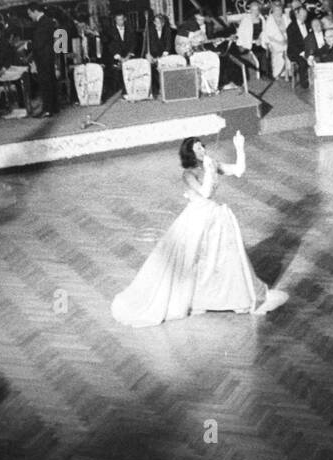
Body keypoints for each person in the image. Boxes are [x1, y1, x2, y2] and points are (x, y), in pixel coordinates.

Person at [110, 133, 288, 327]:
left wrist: (239, 147)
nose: (203, 151)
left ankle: (232, 298)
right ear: (190, 154)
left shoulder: (210, 164)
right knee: (198, 259)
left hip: (216, 217)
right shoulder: (188, 174)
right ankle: (199, 300)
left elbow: (238, 170)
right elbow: (205, 193)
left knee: (222, 258)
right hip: (198, 218)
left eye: (202, 147)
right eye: (198, 149)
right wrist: (210, 170)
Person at [27, 0, 60, 117]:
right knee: (51, 81)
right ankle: (54, 107)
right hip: (49, 56)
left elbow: (39, 42)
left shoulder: (43, 23)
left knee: (45, 83)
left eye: (30, 13)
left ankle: (48, 109)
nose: (30, 16)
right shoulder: (49, 21)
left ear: (34, 11)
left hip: (43, 57)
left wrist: (27, 45)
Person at [262, 0, 289, 78]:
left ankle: (286, 72)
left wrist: (286, 40)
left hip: (286, 40)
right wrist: (279, 41)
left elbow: (290, 30)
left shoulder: (285, 17)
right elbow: (268, 35)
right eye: (276, 10)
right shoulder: (270, 19)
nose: (278, 12)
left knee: (289, 48)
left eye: (280, 9)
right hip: (274, 41)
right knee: (279, 51)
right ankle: (277, 73)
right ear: (273, 10)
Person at [286, 4, 311, 89]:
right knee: (303, 62)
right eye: (302, 15)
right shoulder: (291, 27)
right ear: (297, 14)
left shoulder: (307, 25)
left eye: (305, 15)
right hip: (295, 52)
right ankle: (304, 85)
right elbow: (292, 45)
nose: (304, 17)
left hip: (307, 50)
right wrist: (303, 53)